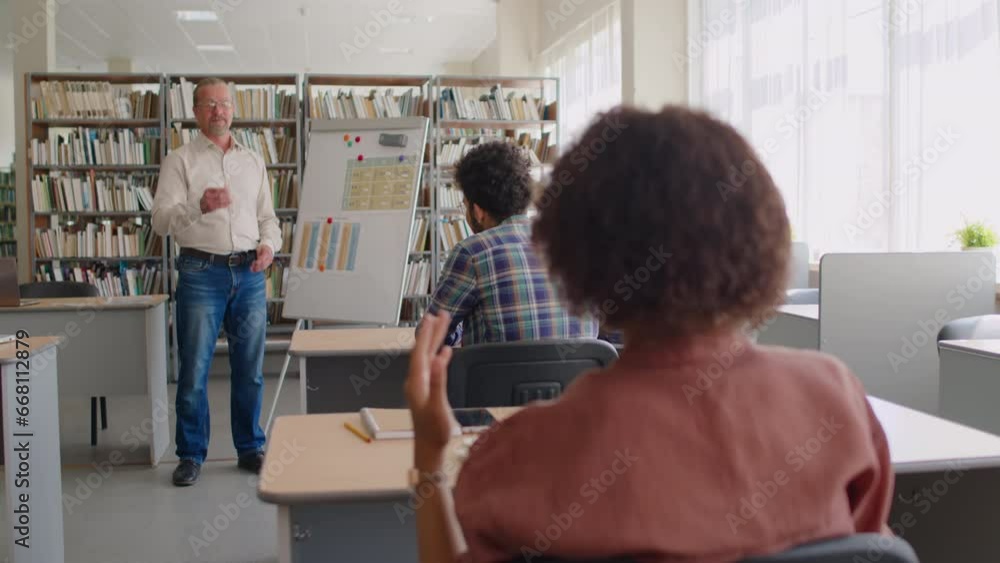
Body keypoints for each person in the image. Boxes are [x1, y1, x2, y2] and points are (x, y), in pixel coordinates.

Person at [404, 106, 894, 562]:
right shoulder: (835, 399)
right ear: (759, 236)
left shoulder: (516, 454)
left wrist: (429, 458)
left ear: (573, 254)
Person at [152, 77, 281, 487]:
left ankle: (250, 448)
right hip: (199, 273)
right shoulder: (180, 160)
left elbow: (268, 218)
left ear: (234, 109)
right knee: (193, 370)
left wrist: (268, 245)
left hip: (250, 273)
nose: (219, 111)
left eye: (225, 103)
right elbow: (160, 220)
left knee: (251, 369)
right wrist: (197, 206)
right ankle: (190, 455)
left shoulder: (254, 161)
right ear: (195, 112)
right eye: (209, 104)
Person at [422, 141, 597, 346]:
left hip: (496, 379)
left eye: (465, 205)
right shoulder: (574, 247)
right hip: (576, 377)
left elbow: (430, 337)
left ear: (477, 211)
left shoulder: (473, 253)